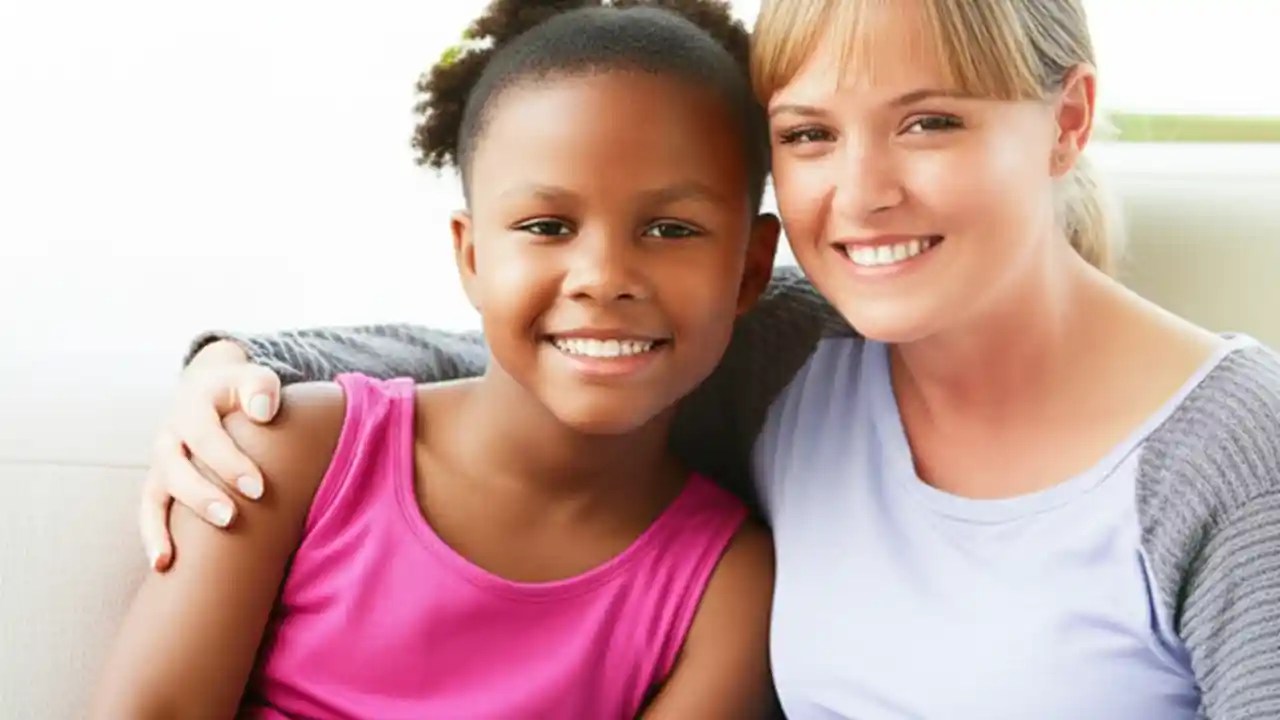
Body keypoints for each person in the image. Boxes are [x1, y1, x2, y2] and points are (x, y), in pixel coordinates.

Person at [136, 0, 1280, 718]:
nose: (861, 192)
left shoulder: (1228, 451)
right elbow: (542, 352)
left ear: (1067, 121)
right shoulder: (796, 356)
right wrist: (241, 364)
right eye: (808, 135)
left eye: (928, 121)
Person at [92, 2, 789, 717]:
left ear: (750, 269)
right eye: (547, 226)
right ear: (472, 255)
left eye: (671, 229)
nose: (603, 277)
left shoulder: (729, 589)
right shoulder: (291, 454)